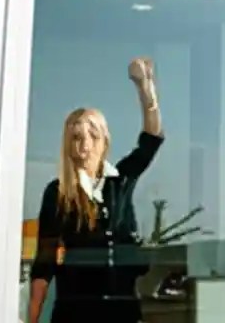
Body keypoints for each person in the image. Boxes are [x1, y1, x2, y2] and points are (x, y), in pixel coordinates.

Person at [27, 57, 165, 323]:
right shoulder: (58, 193)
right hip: (76, 312)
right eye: (77, 138)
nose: (85, 145)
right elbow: (44, 264)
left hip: (122, 311)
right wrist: (32, 318)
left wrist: (146, 89)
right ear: (68, 144)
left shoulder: (119, 181)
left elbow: (151, 140)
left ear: (105, 142)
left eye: (93, 136)